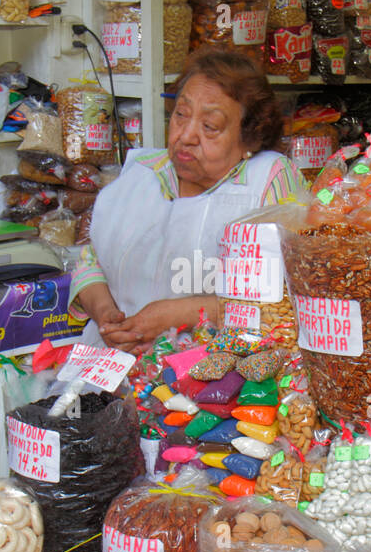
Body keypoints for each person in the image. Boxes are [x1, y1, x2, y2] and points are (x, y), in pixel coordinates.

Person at [70, 49, 304, 353]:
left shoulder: (268, 181)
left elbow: (293, 296)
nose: (187, 135)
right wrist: (105, 316)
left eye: (210, 126)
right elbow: (90, 261)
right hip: (114, 362)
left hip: (217, 375)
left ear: (250, 138)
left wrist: (180, 315)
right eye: (180, 115)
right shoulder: (142, 173)